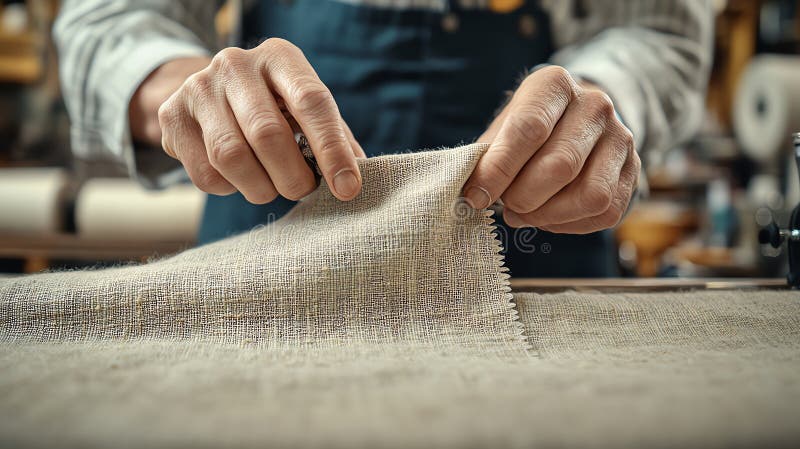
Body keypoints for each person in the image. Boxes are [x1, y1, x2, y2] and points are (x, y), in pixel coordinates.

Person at [53, 0, 712, 277]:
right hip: (263, 249)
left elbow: (660, 31)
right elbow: (110, 20)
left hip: (531, 261)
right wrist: (189, 91)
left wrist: (593, 109)